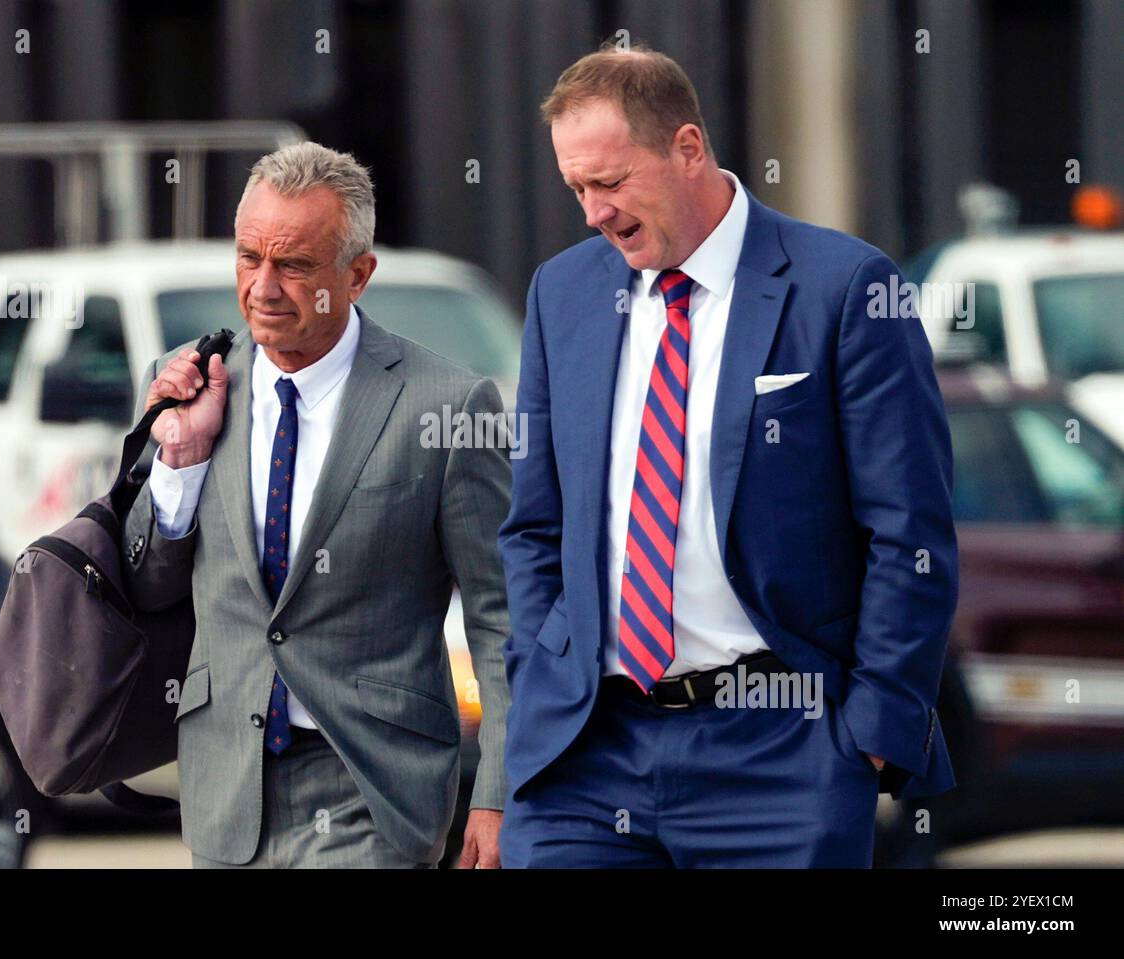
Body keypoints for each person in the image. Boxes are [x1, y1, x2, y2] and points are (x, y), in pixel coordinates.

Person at [497, 45, 958, 868]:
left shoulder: (845, 288)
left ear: (687, 148)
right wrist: (538, 677)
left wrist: (871, 734)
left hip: (781, 754)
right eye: (577, 189)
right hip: (587, 756)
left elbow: (910, 530)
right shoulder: (560, 293)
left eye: (610, 182)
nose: (594, 212)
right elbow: (534, 525)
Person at [122, 142, 511, 868]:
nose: (263, 287)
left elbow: (501, 615)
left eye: (294, 265)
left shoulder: (448, 406)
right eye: (248, 258)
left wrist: (496, 790)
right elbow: (149, 584)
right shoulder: (187, 386)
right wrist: (178, 461)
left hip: (371, 786)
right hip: (227, 785)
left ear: (357, 275)